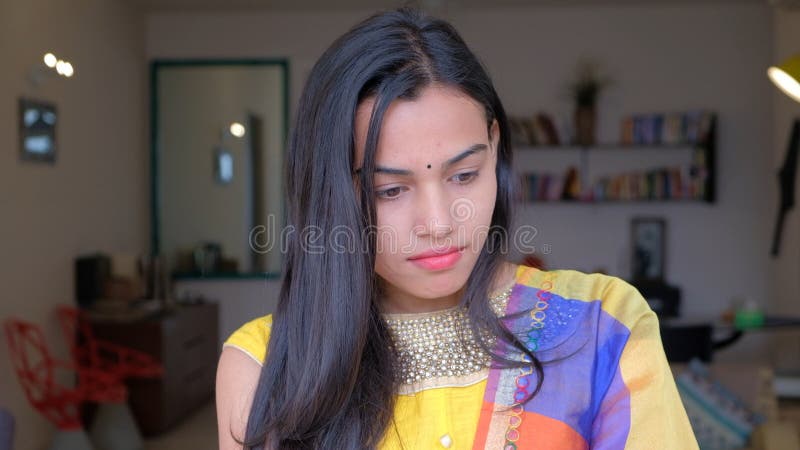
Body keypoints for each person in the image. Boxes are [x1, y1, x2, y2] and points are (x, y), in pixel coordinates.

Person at [216, 7, 698, 450]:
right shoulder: (263, 366)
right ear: (328, 192)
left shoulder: (603, 326)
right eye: (390, 190)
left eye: (463, 176)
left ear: (494, 148)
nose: (439, 223)